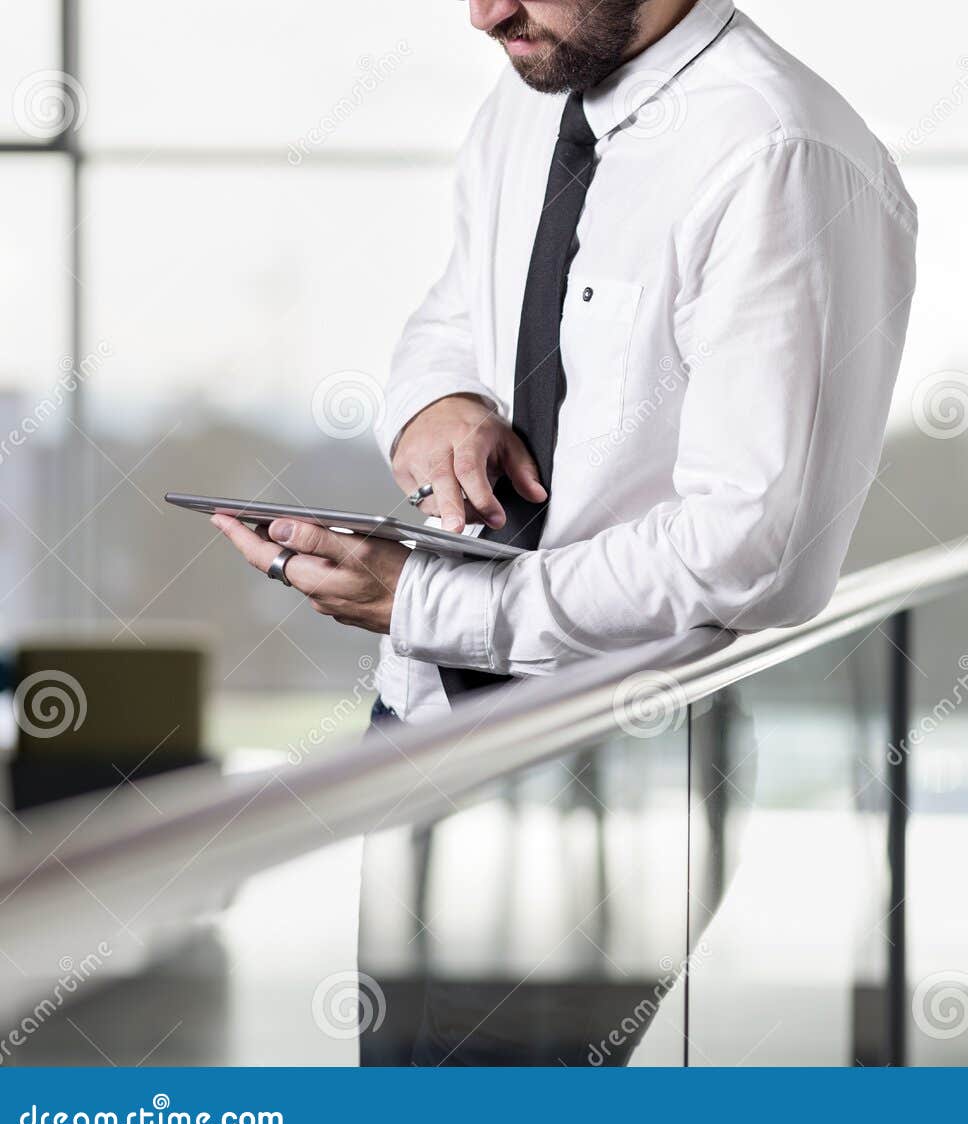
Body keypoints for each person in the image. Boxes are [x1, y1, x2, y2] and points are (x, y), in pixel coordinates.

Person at [212, 0, 917, 726]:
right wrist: (438, 400)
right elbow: (460, 307)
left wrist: (428, 603)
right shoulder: (528, 94)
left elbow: (749, 555)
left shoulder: (778, 151)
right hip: (418, 707)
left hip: (631, 745)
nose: (483, 15)